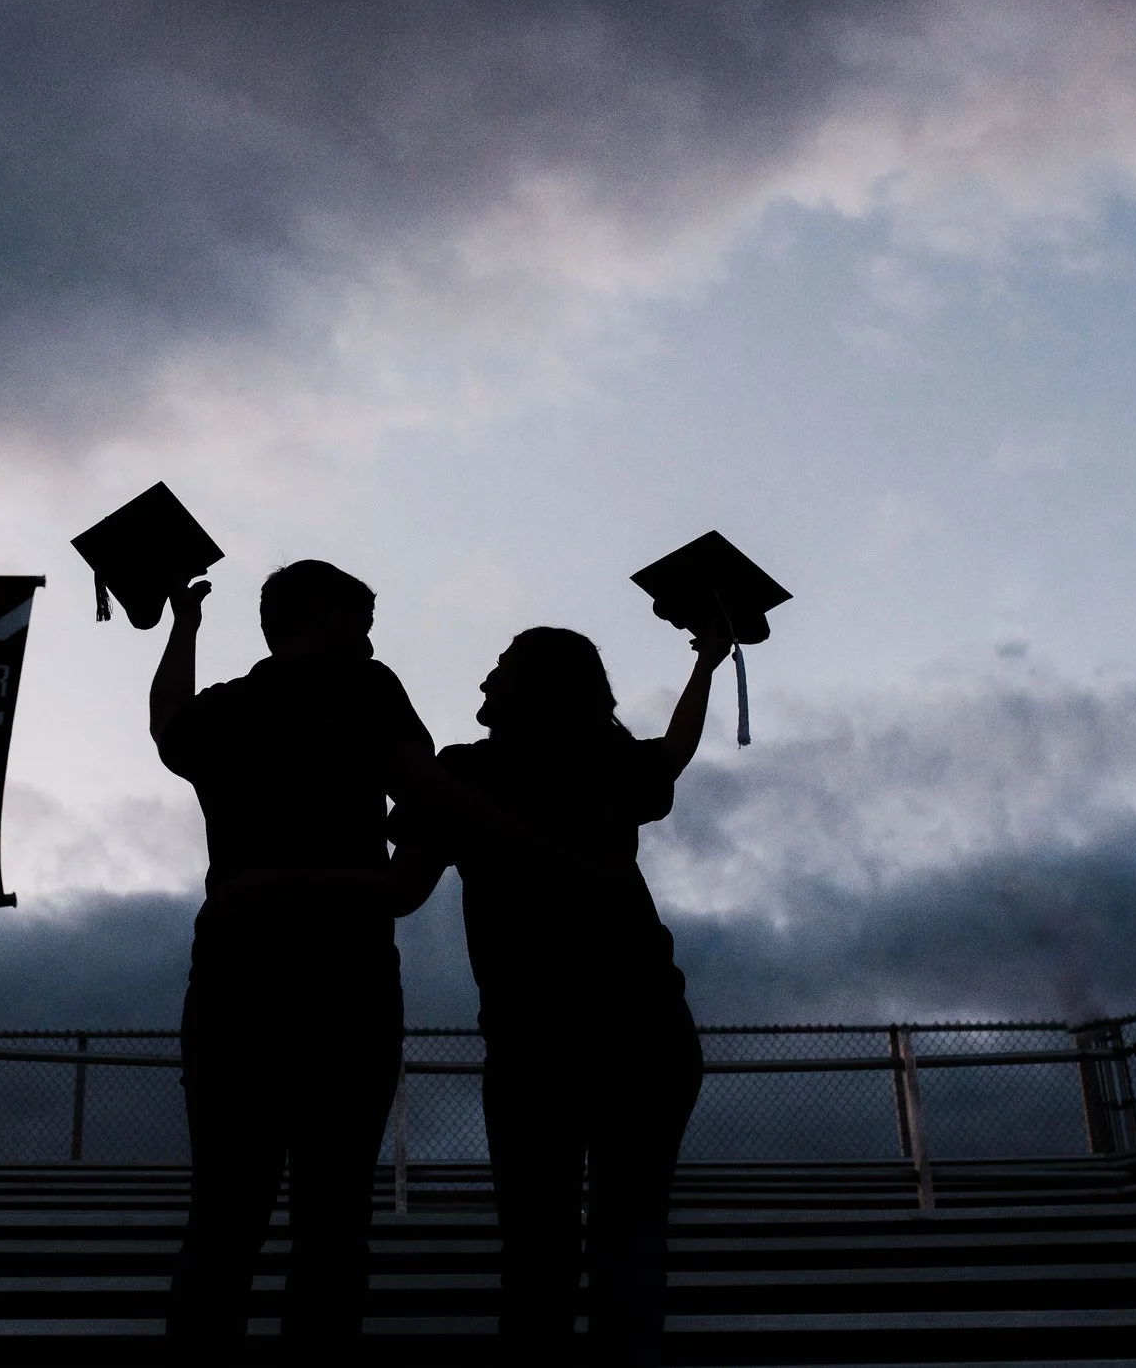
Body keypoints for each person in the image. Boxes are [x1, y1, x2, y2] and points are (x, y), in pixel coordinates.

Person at [393, 622, 727, 1355]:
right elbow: (671, 753)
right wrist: (705, 664)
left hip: (534, 1038)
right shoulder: (605, 763)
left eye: (501, 666)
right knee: (631, 1243)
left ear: (531, 689)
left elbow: (402, 889)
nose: (484, 679)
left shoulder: (464, 774)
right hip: (645, 1027)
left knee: (536, 1252)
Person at [151, 559, 450, 1348]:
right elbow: (427, 793)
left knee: (223, 1210)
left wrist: (183, 627)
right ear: (327, 622)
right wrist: (395, 876)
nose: (369, 638)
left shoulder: (228, 711)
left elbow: (167, 723)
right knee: (333, 1214)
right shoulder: (364, 688)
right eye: (359, 622)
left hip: (233, 974)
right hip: (343, 976)